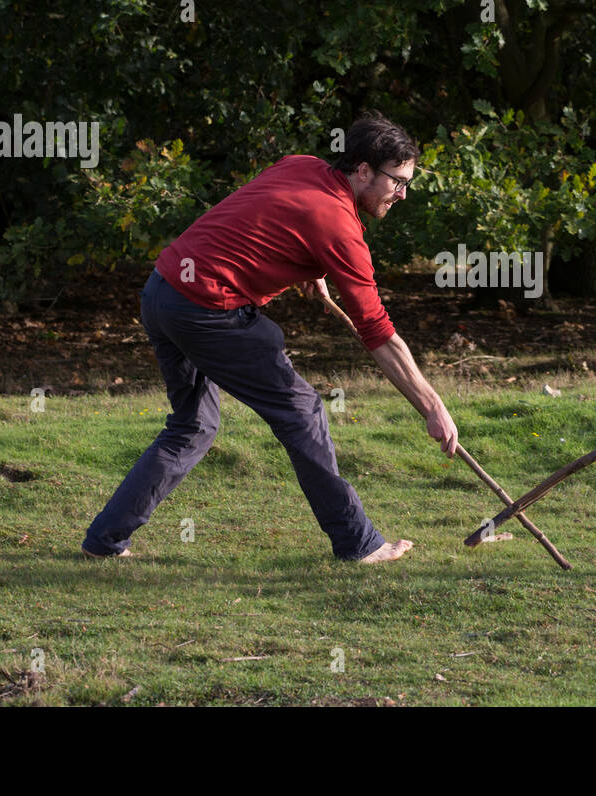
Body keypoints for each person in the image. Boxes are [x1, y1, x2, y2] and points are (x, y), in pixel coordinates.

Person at [81, 112, 458, 564]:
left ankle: (105, 540)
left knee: (193, 425)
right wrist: (432, 407)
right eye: (397, 181)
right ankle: (358, 543)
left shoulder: (301, 164)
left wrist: (310, 267)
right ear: (362, 170)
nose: (401, 193)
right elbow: (376, 332)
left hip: (162, 292)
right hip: (207, 311)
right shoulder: (339, 226)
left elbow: (269, 217)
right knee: (301, 411)